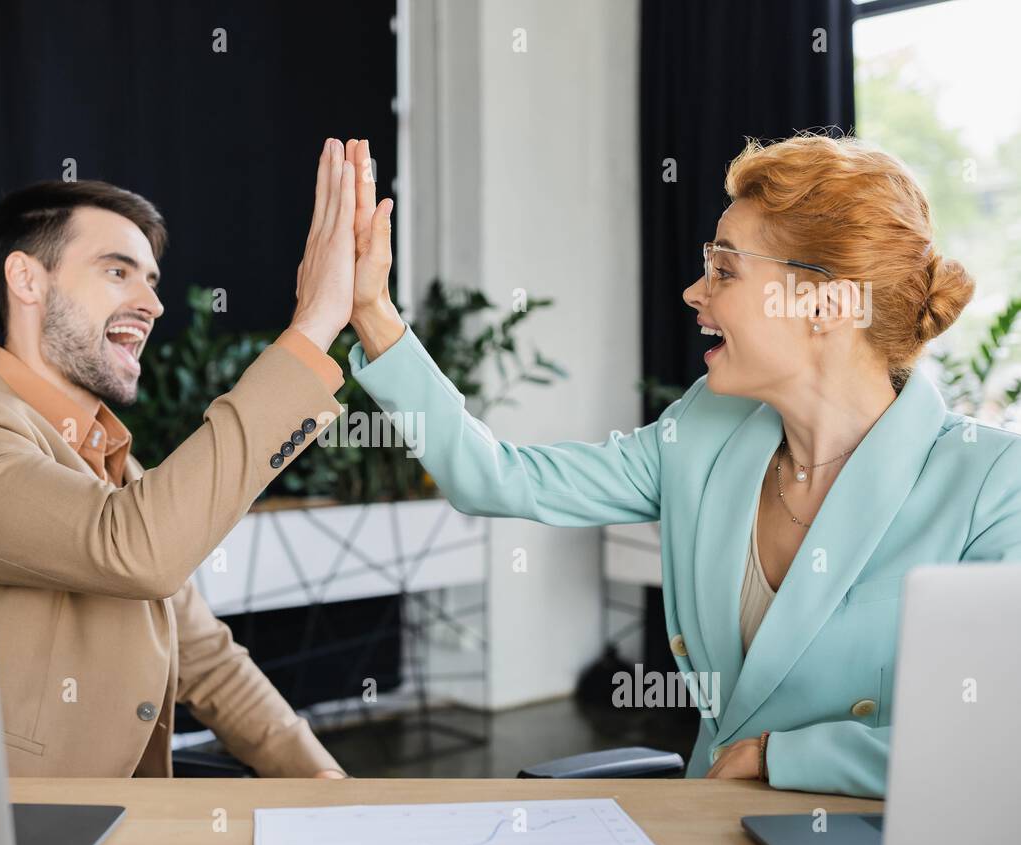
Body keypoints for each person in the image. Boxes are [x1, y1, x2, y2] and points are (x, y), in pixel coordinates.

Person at [342, 133, 1021, 798]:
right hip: (709, 832)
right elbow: (495, 477)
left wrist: (782, 755)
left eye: (725, 271)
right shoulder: (705, 428)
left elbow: (993, 740)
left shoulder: (992, 484)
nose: (696, 293)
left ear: (826, 304)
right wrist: (373, 313)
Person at [0, 139, 364, 778]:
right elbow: (134, 548)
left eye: (152, 281)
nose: (153, 304)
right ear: (26, 280)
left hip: (118, 821)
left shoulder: (110, 464)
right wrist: (314, 325)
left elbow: (208, 658)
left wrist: (326, 783)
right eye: (118, 270)